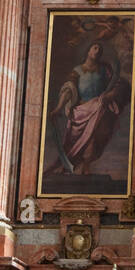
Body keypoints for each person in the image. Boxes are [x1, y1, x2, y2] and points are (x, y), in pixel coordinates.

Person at [46, 41, 130, 179]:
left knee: (93, 138)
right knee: (72, 143)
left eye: (100, 49)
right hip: (80, 111)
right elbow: (68, 90)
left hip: (98, 108)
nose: (98, 51)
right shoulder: (77, 70)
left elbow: (116, 83)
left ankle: (85, 167)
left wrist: (110, 94)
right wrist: (58, 108)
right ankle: (70, 166)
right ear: (88, 51)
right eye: (95, 47)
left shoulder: (104, 69)